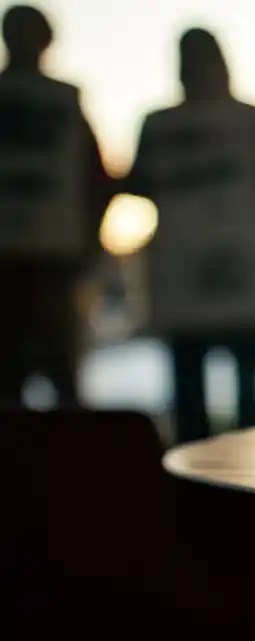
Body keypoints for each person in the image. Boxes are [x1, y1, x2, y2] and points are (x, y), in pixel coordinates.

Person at [127, 29, 255, 441]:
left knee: (234, 402)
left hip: (221, 271)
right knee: (201, 403)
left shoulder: (165, 124)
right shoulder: (246, 119)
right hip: (211, 272)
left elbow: (134, 184)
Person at [0, 5, 111, 407]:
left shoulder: (64, 100)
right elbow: (98, 180)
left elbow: (96, 179)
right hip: (34, 259)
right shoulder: (64, 101)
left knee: (59, 377)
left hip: (54, 258)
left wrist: (90, 242)